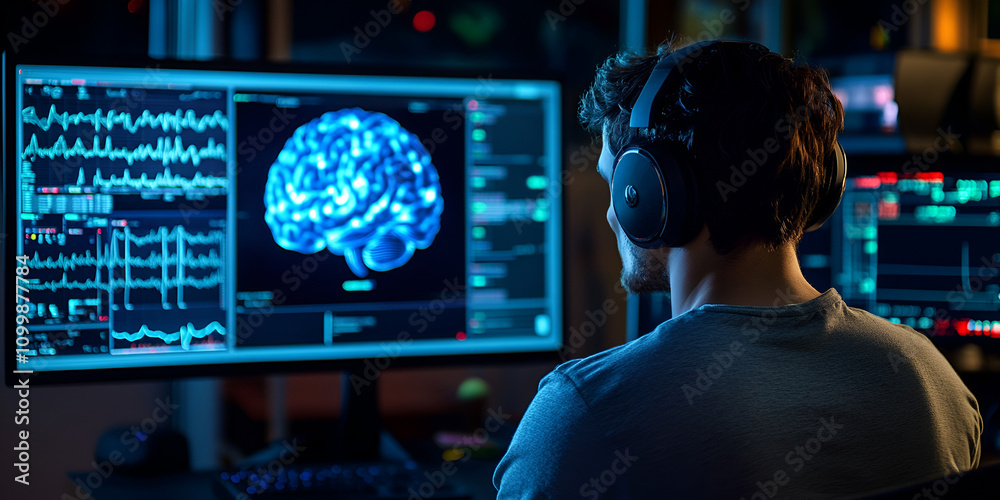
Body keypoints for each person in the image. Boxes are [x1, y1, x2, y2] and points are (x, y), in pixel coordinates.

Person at [493, 40, 982, 499]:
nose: (610, 214)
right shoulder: (931, 382)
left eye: (615, 184)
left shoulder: (584, 414)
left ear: (647, 192)